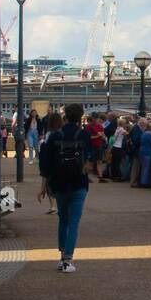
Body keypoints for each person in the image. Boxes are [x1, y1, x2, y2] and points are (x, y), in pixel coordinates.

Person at [38, 103, 91, 272]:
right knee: (74, 221)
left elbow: (45, 164)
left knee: (63, 219)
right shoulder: (84, 134)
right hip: (79, 182)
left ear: (65, 116)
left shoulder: (54, 136)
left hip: (59, 183)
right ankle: (68, 258)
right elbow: (90, 159)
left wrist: (43, 186)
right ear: (81, 116)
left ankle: (62, 257)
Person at [139, 118, 151, 188]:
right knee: (147, 168)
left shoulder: (143, 133)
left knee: (143, 167)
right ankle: (145, 183)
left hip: (142, 151)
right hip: (148, 152)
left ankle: (143, 181)